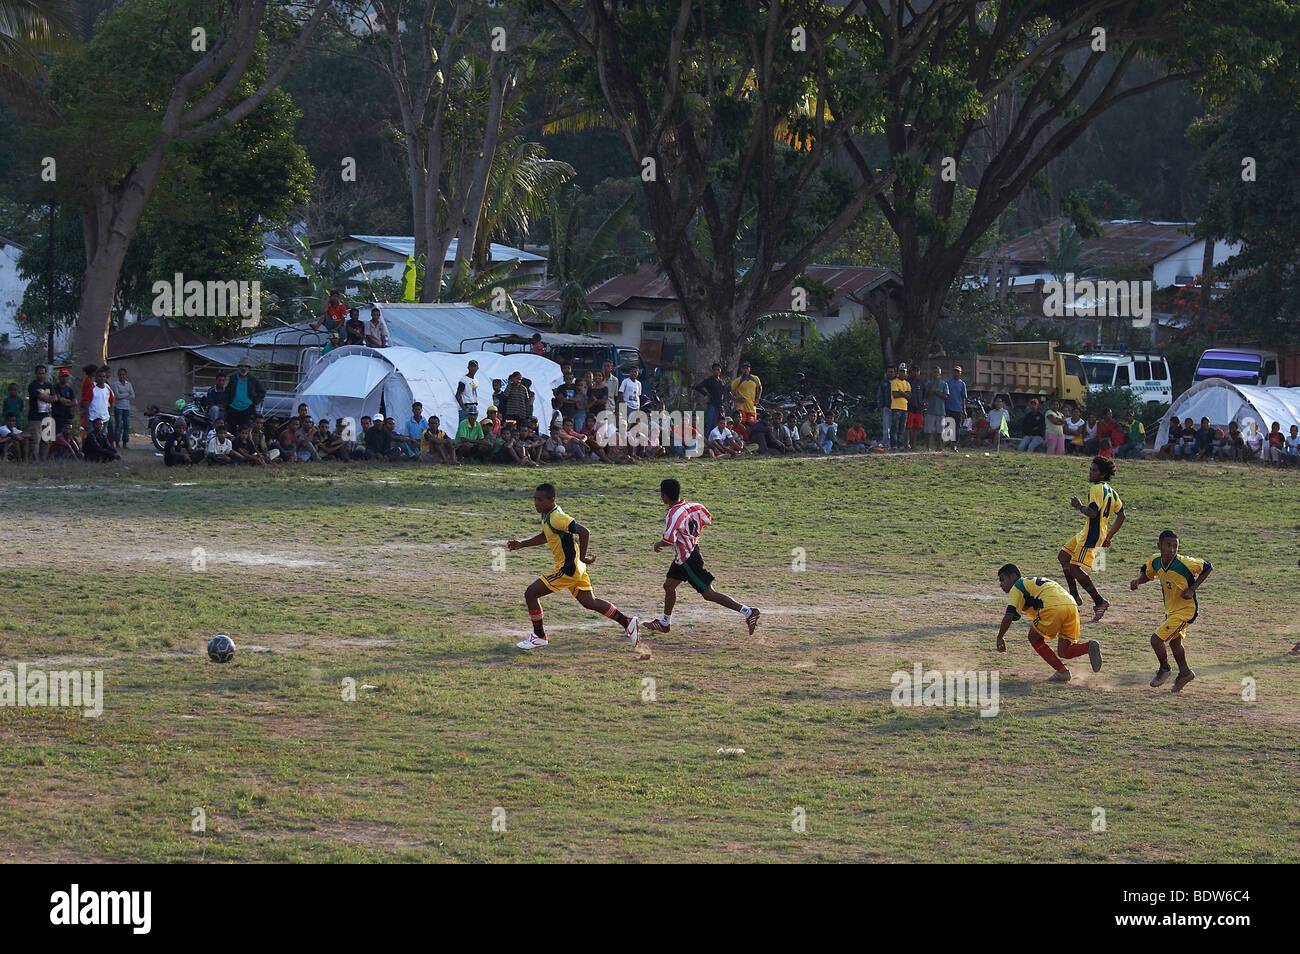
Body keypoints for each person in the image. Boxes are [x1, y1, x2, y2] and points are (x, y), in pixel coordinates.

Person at [507, 482, 643, 653]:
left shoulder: (557, 517)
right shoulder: (548, 515)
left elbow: (584, 532)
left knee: (531, 593)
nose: (536, 503)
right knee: (589, 602)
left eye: (540, 500)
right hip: (575, 567)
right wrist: (522, 544)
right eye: (535, 499)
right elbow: (546, 535)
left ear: (551, 500)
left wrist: (584, 557)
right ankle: (627, 622)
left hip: (567, 569)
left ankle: (539, 636)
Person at [643, 479, 760, 638]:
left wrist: (658, 544)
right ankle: (664, 623)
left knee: (708, 594)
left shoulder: (673, 514)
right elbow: (707, 519)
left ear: (664, 495)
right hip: (686, 555)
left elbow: (669, 540)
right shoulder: (694, 506)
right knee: (669, 586)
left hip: (688, 560)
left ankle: (748, 612)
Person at [1130, 530, 1211, 692]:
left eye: (1175, 546)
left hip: (1186, 611)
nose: (1172, 549)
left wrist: (1192, 589)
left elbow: (1207, 567)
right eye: (1168, 545)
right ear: (1159, 546)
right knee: (1174, 642)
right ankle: (1185, 673)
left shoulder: (1184, 563)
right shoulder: (1156, 561)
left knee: (1156, 640)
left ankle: (1164, 669)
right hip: (1172, 611)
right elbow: (1147, 573)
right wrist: (1138, 581)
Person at [995, 564, 1102, 683]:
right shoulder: (1033, 582)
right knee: (1064, 651)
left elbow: (1008, 616)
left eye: (1002, 580)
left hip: (1052, 607)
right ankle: (1088, 647)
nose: (1001, 585)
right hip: (1072, 607)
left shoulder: (1017, 586)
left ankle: (1062, 671)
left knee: (1033, 638)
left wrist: (1000, 637)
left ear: (1013, 576)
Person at [1059, 455, 1125, 621]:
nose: (1090, 472)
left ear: (1102, 474)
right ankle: (1074, 595)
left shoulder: (1096, 490)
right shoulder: (1112, 492)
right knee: (1063, 556)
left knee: (1074, 568)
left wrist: (1079, 506)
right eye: (1090, 469)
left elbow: (1092, 512)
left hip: (1091, 535)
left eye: (1094, 470)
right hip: (1089, 531)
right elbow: (1122, 515)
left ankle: (1099, 601)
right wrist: (1109, 536)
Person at [223, 359, 264, 435]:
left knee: (245, 430)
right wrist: (228, 402)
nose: (243, 368)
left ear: (248, 368)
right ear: (238, 367)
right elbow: (227, 391)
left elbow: (262, 392)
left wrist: (254, 401)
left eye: (246, 366)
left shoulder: (253, 379)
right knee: (231, 430)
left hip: (247, 409)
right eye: (241, 366)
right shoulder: (233, 378)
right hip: (233, 407)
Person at [694, 363, 726, 438]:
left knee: (721, 424)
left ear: (720, 371)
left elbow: (724, 392)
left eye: (718, 370)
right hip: (712, 404)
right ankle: (708, 440)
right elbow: (697, 387)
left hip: (720, 406)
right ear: (712, 371)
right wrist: (706, 394)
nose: (716, 371)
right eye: (715, 370)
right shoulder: (709, 380)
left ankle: (718, 440)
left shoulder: (721, 382)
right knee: (710, 424)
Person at [923, 366, 949, 452]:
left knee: (940, 430)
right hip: (930, 409)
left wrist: (936, 392)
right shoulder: (928, 383)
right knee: (928, 430)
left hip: (940, 410)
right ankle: (927, 446)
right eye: (934, 372)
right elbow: (927, 394)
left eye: (937, 372)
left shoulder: (944, 384)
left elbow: (945, 396)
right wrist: (934, 385)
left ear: (940, 373)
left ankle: (939, 446)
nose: (936, 374)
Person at [729, 361, 761, 426]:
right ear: (741, 369)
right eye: (744, 368)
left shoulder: (755, 378)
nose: (745, 370)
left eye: (747, 368)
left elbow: (760, 387)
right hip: (742, 407)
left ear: (749, 369)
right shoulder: (738, 380)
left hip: (752, 407)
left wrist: (758, 398)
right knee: (741, 425)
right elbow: (727, 389)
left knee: (752, 426)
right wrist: (735, 399)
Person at [943, 365, 968, 450]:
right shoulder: (947, 382)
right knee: (948, 425)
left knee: (957, 428)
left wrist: (964, 410)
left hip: (958, 409)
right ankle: (947, 443)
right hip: (948, 407)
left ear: (960, 373)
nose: (956, 373)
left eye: (958, 372)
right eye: (955, 371)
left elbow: (963, 397)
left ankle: (955, 444)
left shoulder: (962, 384)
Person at [109, 368, 135, 448]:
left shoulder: (128, 384)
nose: (122, 376)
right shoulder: (115, 384)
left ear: (126, 375)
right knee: (118, 425)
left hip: (127, 408)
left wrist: (122, 394)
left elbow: (133, 395)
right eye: (120, 374)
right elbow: (117, 396)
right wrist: (127, 394)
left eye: (123, 374)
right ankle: (117, 442)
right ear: (118, 375)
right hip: (118, 408)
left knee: (127, 426)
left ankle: (125, 442)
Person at [889, 363, 910, 449]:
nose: (902, 373)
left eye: (904, 371)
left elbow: (909, 396)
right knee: (895, 427)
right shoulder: (894, 382)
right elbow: (895, 394)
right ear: (898, 372)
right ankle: (893, 445)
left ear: (906, 372)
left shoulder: (907, 383)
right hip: (896, 407)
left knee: (902, 428)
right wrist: (904, 394)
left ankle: (900, 444)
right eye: (901, 371)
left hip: (904, 408)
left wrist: (901, 392)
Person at [905, 365, 924, 450]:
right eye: (914, 371)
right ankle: (907, 444)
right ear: (911, 372)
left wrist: (923, 403)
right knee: (908, 427)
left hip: (919, 408)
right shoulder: (907, 382)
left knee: (916, 427)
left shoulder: (921, 382)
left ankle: (914, 445)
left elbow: (924, 394)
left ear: (919, 372)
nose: (915, 373)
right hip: (910, 408)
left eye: (917, 371)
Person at [877, 364, 895, 449]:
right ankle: (886, 444)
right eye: (889, 372)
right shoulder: (883, 383)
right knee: (886, 427)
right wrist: (880, 406)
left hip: (897, 408)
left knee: (896, 427)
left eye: (892, 372)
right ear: (886, 373)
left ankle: (895, 443)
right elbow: (880, 395)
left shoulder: (898, 382)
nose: (890, 373)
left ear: (895, 373)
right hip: (886, 407)